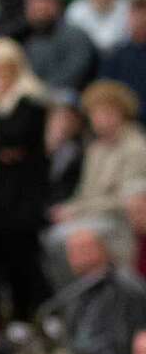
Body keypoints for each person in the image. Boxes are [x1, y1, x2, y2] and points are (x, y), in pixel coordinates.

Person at [0, 38, 49, 322]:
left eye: (3, 69)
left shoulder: (30, 101)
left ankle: (29, 316)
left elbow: (15, 138)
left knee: (24, 262)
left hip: (24, 197)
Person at [48, 82, 146, 271]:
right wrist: (69, 209)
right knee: (49, 236)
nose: (100, 119)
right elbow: (85, 192)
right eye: (95, 113)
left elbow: (130, 201)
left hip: (117, 221)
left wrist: (78, 212)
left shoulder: (136, 147)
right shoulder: (95, 149)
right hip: (91, 216)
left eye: (107, 112)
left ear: (122, 112)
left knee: (58, 241)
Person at [39, 227, 146, 354]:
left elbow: (125, 345)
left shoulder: (125, 286)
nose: (79, 256)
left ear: (103, 249)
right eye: (73, 251)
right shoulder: (75, 292)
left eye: (85, 248)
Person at [25, 0, 99, 95]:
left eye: (45, 3)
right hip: (41, 97)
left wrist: (43, 91)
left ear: (58, 6)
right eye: (34, 6)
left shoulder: (75, 35)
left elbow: (76, 74)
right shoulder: (31, 41)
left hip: (75, 96)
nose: (39, 9)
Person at [104, 0, 146, 112]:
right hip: (126, 122)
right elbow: (106, 94)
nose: (141, 18)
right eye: (136, 11)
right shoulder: (116, 54)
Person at [47, 93, 87, 211]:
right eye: (59, 116)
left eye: (71, 119)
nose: (64, 123)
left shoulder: (78, 154)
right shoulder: (29, 142)